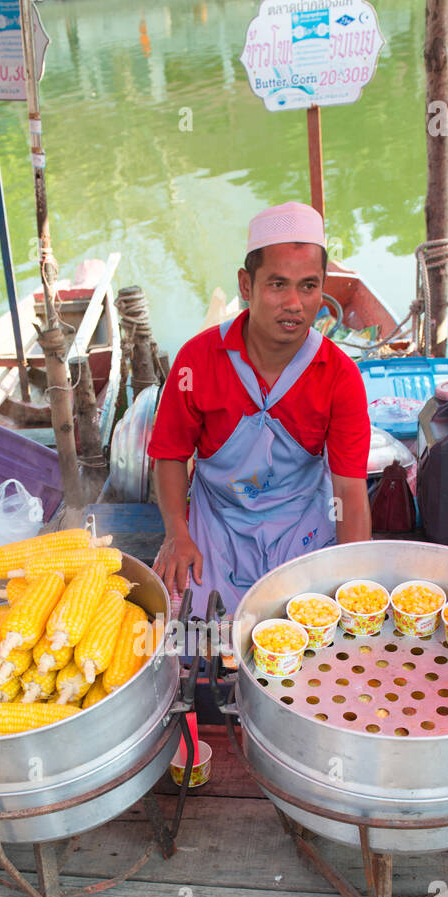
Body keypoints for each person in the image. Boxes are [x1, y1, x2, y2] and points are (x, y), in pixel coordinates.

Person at [150, 201, 371, 616]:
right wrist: (177, 532)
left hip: (302, 515)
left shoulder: (340, 376)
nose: (294, 303)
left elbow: (349, 491)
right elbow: (170, 455)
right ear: (246, 286)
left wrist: (353, 576)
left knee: (314, 626)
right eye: (277, 284)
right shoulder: (196, 361)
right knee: (197, 630)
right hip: (219, 517)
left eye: (308, 286)